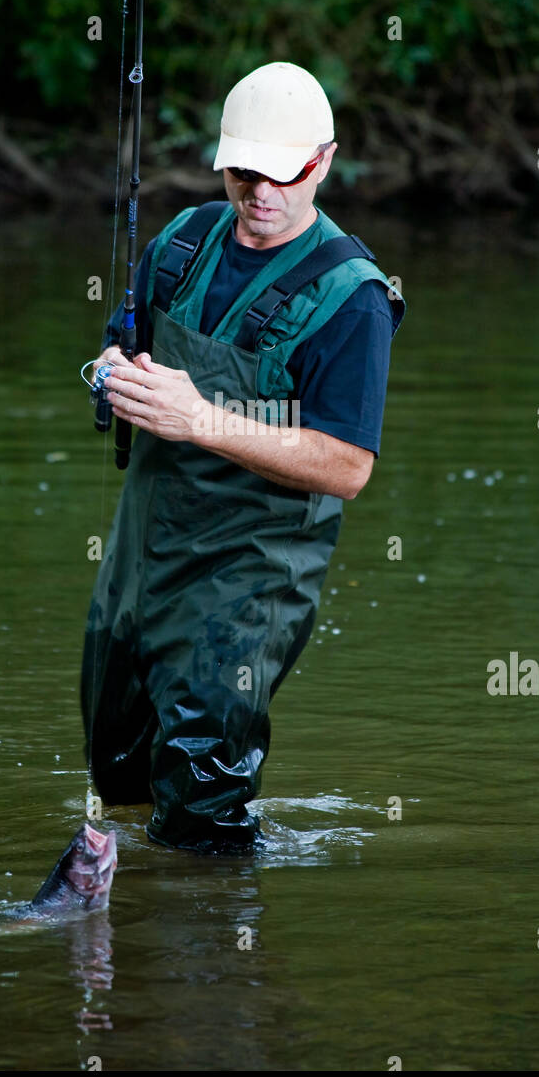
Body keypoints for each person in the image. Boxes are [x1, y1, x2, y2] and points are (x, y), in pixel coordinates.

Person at [80, 61, 405, 854]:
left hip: (248, 578)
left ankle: (217, 956)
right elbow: (125, 353)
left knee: (199, 804)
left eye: (284, 174)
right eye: (245, 171)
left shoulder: (353, 297)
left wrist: (201, 418)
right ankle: (125, 945)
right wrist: (109, 377)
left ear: (323, 162)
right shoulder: (181, 242)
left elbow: (348, 467)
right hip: (138, 558)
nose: (261, 193)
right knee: (115, 774)